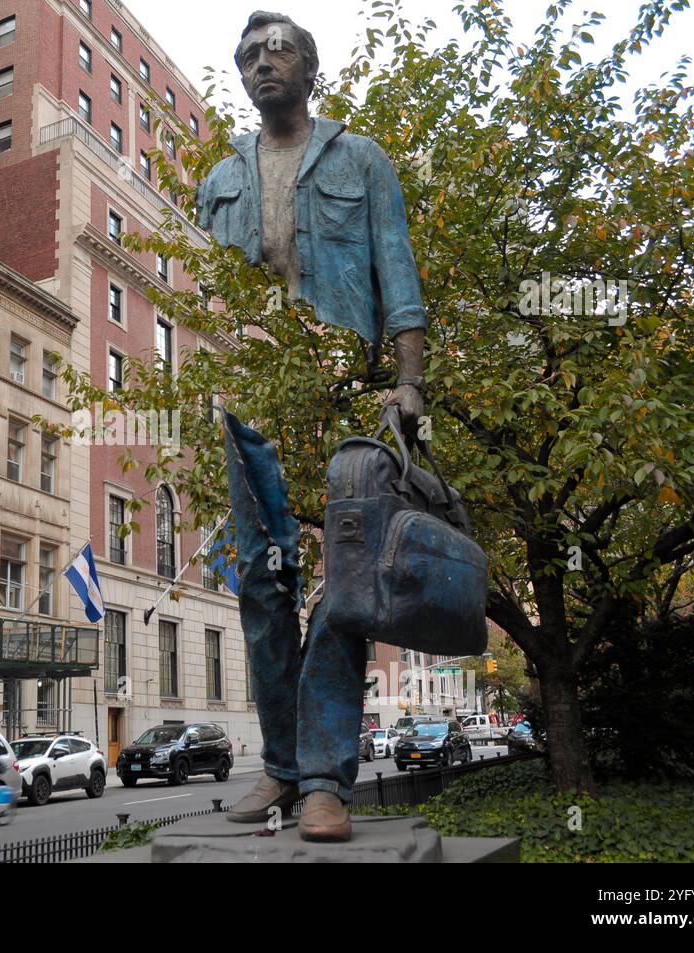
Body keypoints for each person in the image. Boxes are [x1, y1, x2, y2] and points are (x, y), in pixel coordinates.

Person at [201, 11, 428, 843]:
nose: (264, 63)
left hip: (341, 390)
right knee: (263, 586)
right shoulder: (221, 177)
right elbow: (206, 297)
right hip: (247, 395)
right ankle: (281, 766)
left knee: (347, 584)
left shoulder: (360, 159)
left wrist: (409, 382)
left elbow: (396, 268)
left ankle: (328, 779)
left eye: (280, 49)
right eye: (250, 55)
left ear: (309, 68)